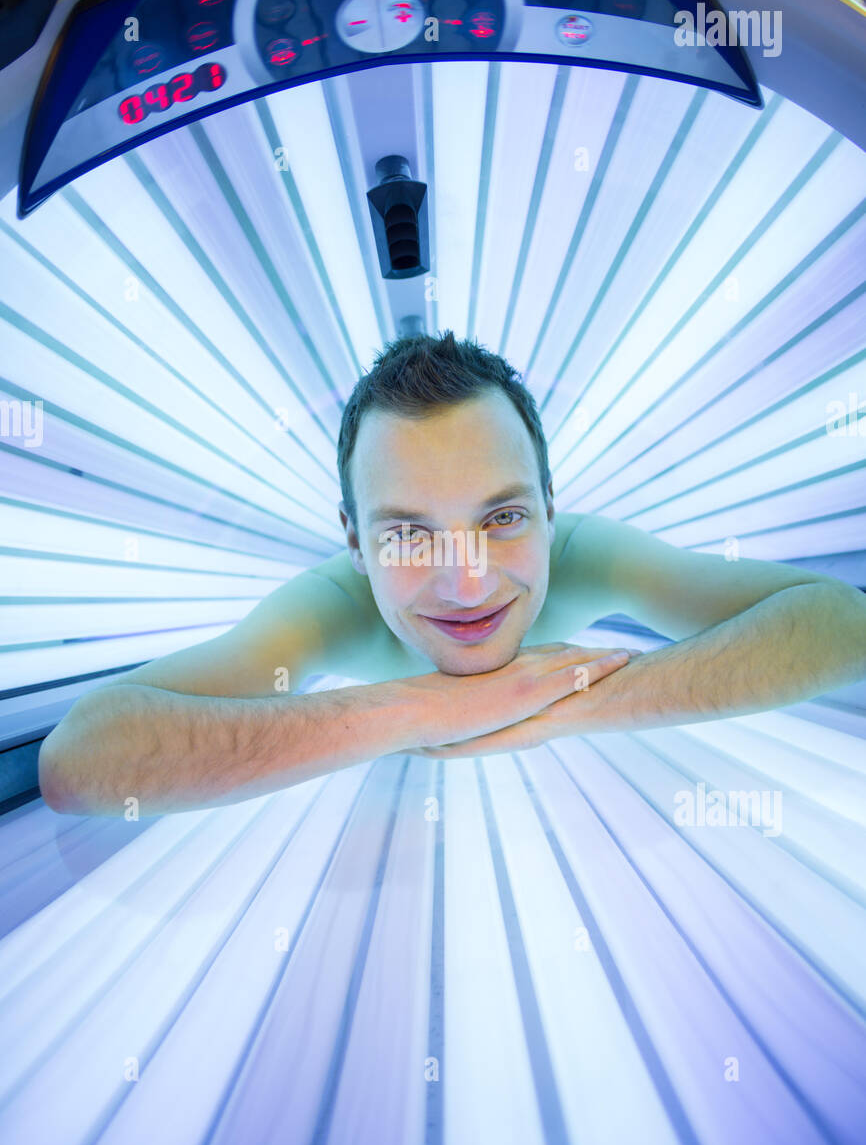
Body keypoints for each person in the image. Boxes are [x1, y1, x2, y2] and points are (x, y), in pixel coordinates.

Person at [38, 330, 866, 815]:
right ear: (355, 547)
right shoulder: (327, 610)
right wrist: (437, 706)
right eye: (406, 534)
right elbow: (82, 756)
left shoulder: (590, 554)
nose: (466, 584)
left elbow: (839, 620)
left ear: (550, 510)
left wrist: (555, 709)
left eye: (502, 519)